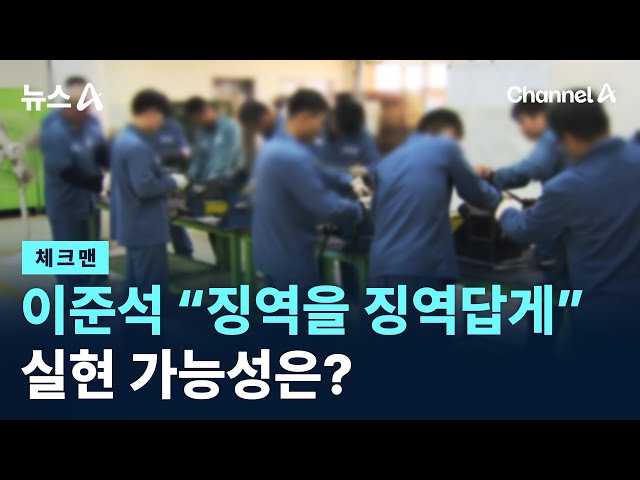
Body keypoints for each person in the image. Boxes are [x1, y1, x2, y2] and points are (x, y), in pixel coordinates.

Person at [495, 98, 640, 414]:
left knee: (594, 393)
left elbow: (524, 228)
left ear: (568, 138)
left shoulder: (569, 186)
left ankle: (537, 369)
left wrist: (505, 209)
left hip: (600, 311)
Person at [369, 108, 501, 296]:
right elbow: (477, 195)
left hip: (381, 268)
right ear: (449, 132)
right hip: (422, 269)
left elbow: (376, 214)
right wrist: (500, 198)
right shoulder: (445, 147)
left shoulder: (388, 162)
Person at [252, 89, 366, 291]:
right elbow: (326, 206)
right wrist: (361, 209)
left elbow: (317, 169)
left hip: (270, 249)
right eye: (320, 123)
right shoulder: (291, 156)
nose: (320, 130)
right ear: (305, 117)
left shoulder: (275, 147)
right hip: (289, 256)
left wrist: (350, 180)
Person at [110, 89, 188, 296]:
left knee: (134, 285)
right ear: (151, 113)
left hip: (133, 225)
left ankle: (129, 318)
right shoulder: (138, 147)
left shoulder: (123, 139)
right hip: (146, 229)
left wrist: (163, 174)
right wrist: (173, 181)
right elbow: (144, 187)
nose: (160, 124)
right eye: (161, 118)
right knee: (151, 290)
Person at [40, 75, 107, 293]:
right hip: (66, 203)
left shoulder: (91, 122)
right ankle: (71, 298)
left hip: (89, 202)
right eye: (82, 107)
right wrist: (103, 183)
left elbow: (101, 151)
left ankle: (90, 291)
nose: (87, 111)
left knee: (89, 253)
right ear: (68, 106)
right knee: (70, 257)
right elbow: (67, 171)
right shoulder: (54, 130)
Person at [183, 96, 244, 272]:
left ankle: (233, 271)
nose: (199, 123)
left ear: (208, 111)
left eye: (199, 119)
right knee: (212, 225)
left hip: (230, 186)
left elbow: (224, 159)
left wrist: (208, 183)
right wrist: (189, 178)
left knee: (229, 228)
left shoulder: (230, 127)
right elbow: (198, 159)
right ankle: (222, 266)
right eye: (195, 121)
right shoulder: (200, 130)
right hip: (210, 186)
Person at [474, 97, 570, 189]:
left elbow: (532, 168)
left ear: (541, 115)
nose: (521, 130)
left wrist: (491, 176)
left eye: (522, 122)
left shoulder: (551, 136)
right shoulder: (560, 133)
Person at [153, 115, 194, 259]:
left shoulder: (172, 126)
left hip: (90, 196)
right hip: (85, 195)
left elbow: (184, 150)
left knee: (173, 219)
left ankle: (185, 254)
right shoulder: (134, 137)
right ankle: (90, 271)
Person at [315, 96, 380, 170]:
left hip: (348, 175)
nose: (334, 126)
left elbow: (374, 164)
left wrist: (360, 170)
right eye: (334, 121)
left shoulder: (363, 136)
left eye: (339, 125)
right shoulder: (320, 131)